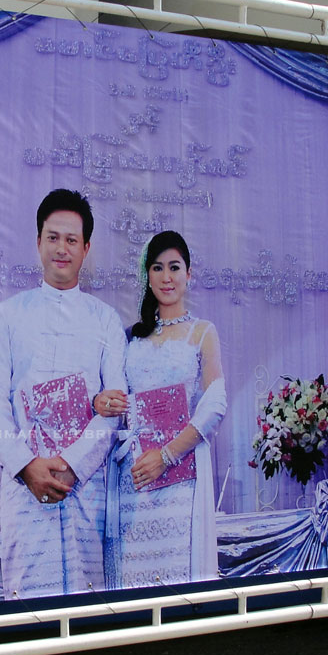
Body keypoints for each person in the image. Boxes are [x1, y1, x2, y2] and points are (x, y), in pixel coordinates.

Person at [0, 189, 127, 599]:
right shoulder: (7, 316)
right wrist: (26, 465)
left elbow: (115, 406)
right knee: (29, 608)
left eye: (72, 240)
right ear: (38, 242)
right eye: (53, 237)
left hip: (86, 486)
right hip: (25, 486)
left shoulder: (105, 320)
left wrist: (71, 464)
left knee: (90, 605)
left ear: (86, 248)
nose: (62, 248)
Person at [98, 230, 226, 589]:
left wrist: (167, 455)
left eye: (174, 267)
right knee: (135, 579)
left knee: (176, 581)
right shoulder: (129, 337)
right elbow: (115, 401)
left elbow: (215, 404)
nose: (166, 277)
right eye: (157, 268)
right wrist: (107, 404)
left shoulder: (202, 332)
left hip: (180, 471)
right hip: (135, 473)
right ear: (147, 276)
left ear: (189, 274)